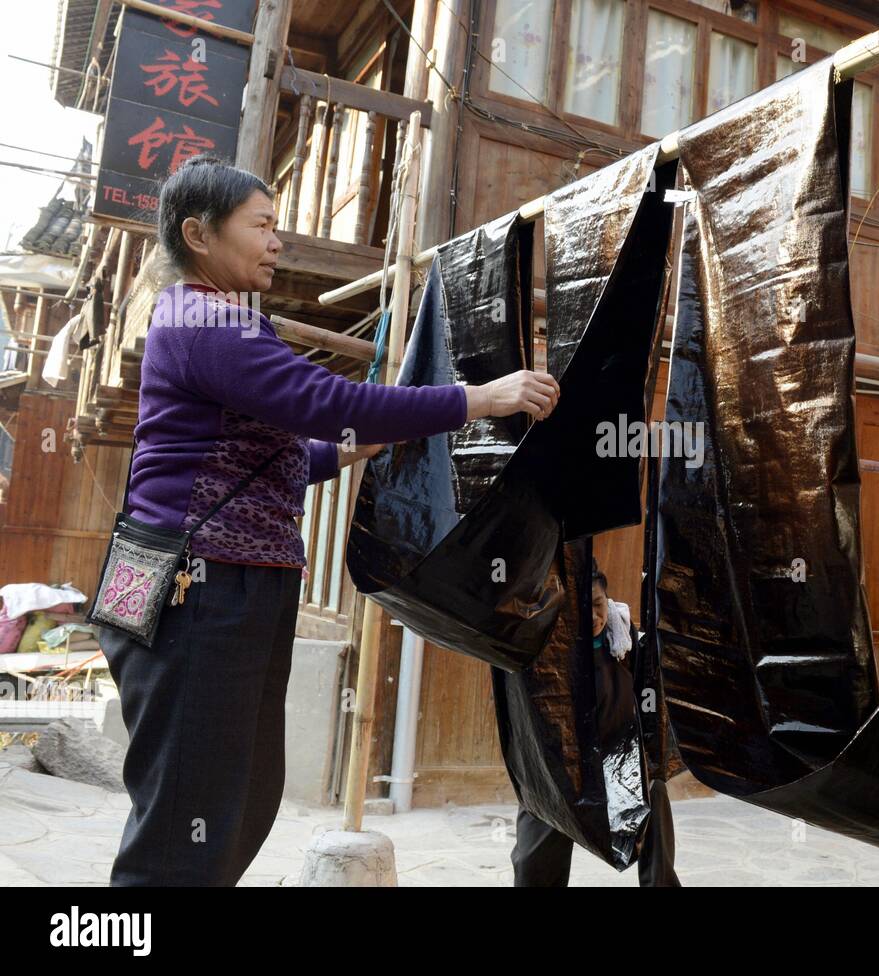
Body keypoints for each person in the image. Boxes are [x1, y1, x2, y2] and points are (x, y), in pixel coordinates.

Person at [98, 154, 560, 886]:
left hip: (234, 591)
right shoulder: (204, 318)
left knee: (238, 804)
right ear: (200, 234)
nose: (278, 242)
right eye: (262, 226)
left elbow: (277, 453)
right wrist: (481, 399)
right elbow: (326, 401)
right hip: (199, 592)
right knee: (186, 824)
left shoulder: (213, 320)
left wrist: (346, 451)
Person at [510, 562, 681, 886]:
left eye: (598, 605)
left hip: (614, 761)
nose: (593, 616)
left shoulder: (624, 638)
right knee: (537, 856)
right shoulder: (548, 645)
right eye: (582, 607)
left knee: (654, 791)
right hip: (557, 766)